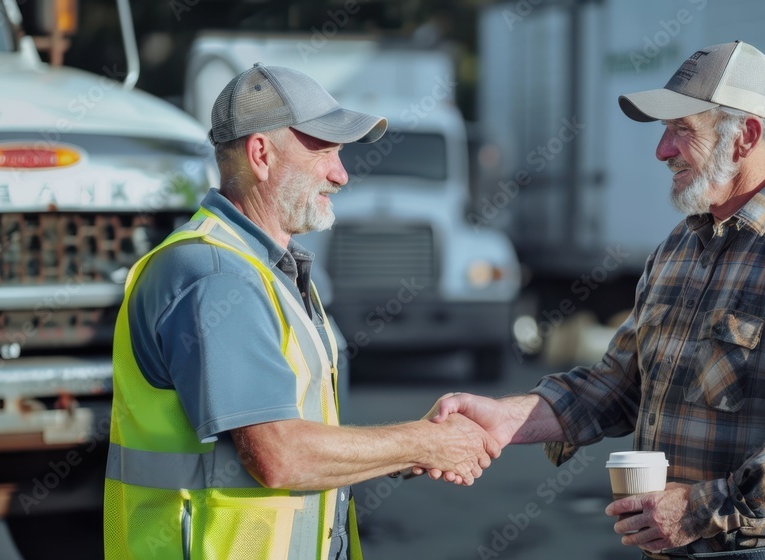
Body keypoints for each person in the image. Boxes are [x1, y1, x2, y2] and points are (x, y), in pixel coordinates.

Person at [423, 41, 765, 559]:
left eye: (682, 131)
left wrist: (696, 510)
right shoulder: (679, 247)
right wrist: (508, 417)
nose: (662, 150)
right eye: (664, 133)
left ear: (747, 136)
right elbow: (618, 384)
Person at [103, 63, 499, 560]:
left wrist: (403, 449)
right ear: (261, 154)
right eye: (324, 151)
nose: (341, 174)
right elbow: (279, 454)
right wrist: (422, 443)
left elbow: (295, 435)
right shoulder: (218, 275)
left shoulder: (263, 268)